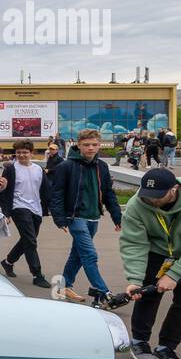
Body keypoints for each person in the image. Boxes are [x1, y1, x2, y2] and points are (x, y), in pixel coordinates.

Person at [119, 168, 181, 359]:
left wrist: (174, 274)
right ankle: (139, 342)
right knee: (146, 296)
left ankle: (166, 347)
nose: (152, 201)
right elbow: (134, 243)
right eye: (148, 195)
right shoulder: (137, 205)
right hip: (156, 253)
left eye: (158, 196)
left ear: (174, 189)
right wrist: (134, 279)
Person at [49, 128, 122, 303]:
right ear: (78, 145)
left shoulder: (102, 166)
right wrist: (59, 219)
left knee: (78, 253)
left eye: (94, 145)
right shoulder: (66, 166)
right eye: (86, 145)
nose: (91, 148)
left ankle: (64, 286)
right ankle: (104, 293)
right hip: (76, 218)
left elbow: (108, 193)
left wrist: (116, 216)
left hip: (93, 217)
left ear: (99, 145)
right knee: (89, 255)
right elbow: (56, 194)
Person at [0, 140, 51, 288]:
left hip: (36, 209)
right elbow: (4, 192)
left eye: (25, 152)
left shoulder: (38, 169)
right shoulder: (10, 169)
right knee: (31, 241)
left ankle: (8, 262)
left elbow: (46, 190)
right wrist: (6, 213)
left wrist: (51, 207)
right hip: (18, 207)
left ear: (31, 153)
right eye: (19, 152)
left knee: (28, 239)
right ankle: (37, 274)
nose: (21, 155)